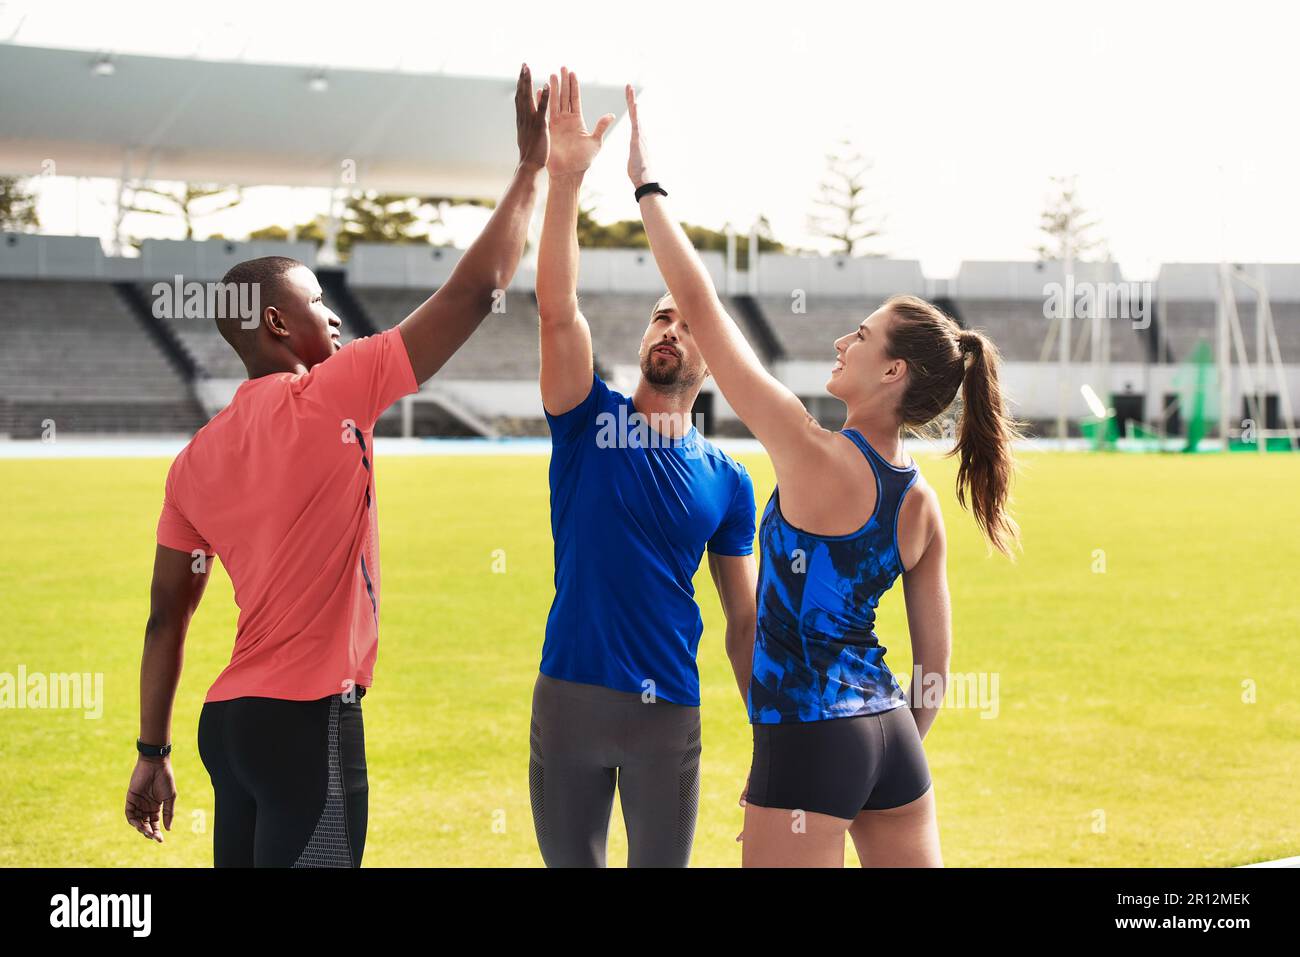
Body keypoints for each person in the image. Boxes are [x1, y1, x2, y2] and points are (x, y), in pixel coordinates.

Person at [123, 65, 551, 867]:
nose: (338, 319)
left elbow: (165, 618)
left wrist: (152, 748)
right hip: (309, 722)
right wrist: (530, 171)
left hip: (231, 725)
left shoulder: (192, 462)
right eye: (323, 305)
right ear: (281, 323)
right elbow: (474, 293)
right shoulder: (334, 391)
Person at [623, 85, 1021, 867]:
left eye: (862, 336)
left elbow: (701, 307)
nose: (844, 339)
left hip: (807, 736)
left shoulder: (809, 453)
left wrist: (647, 186)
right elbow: (935, 673)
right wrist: (881, 748)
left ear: (893, 371)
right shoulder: (920, 503)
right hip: (893, 742)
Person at [528, 68, 759, 868]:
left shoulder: (730, 481)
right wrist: (565, 181)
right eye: (663, 314)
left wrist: (771, 746)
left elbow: (744, 622)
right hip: (568, 698)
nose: (671, 327)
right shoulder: (587, 417)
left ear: (711, 352)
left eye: (690, 321)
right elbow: (558, 311)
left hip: (670, 712)